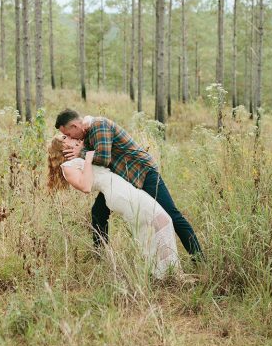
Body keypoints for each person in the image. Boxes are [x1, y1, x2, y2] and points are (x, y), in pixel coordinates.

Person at [55, 109, 203, 258]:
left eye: (68, 134)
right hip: (124, 179)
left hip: (142, 173)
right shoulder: (87, 132)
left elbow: (103, 158)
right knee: (98, 212)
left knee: (172, 215)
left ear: (75, 126)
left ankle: (198, 257)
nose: (70, 137)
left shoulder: (98, 125)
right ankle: (100, 256)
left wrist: (81, 153)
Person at [47, 134, 180, 278]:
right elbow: (85, 187)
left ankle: (163, 271)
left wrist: (85, 153)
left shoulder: (80, 155)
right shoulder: (68, 167)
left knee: (151, 226)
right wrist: (88, 159)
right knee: (162, 220)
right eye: (64, 137)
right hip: (117, 193)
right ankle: (168, 272)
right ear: (62, 146)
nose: (69, 135)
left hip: (122, 188)